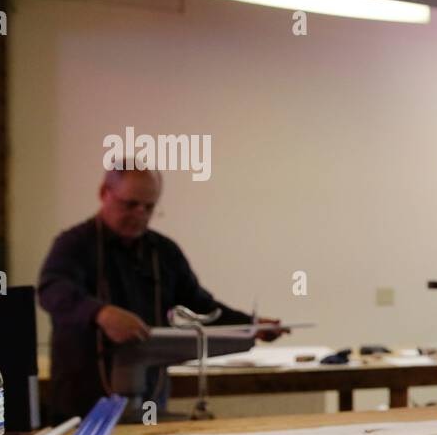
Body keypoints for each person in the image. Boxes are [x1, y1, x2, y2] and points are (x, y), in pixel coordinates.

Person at [38, 166, 283, 421]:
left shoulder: (164, 252)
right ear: (104, 193)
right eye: (130, 204)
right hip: (81, 406)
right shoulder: (73, 245)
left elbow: (201, 307)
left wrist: (249, 325)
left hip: (150, 400)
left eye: (149, 207)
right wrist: (101, 313)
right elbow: (52, 291)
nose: (140, 215)